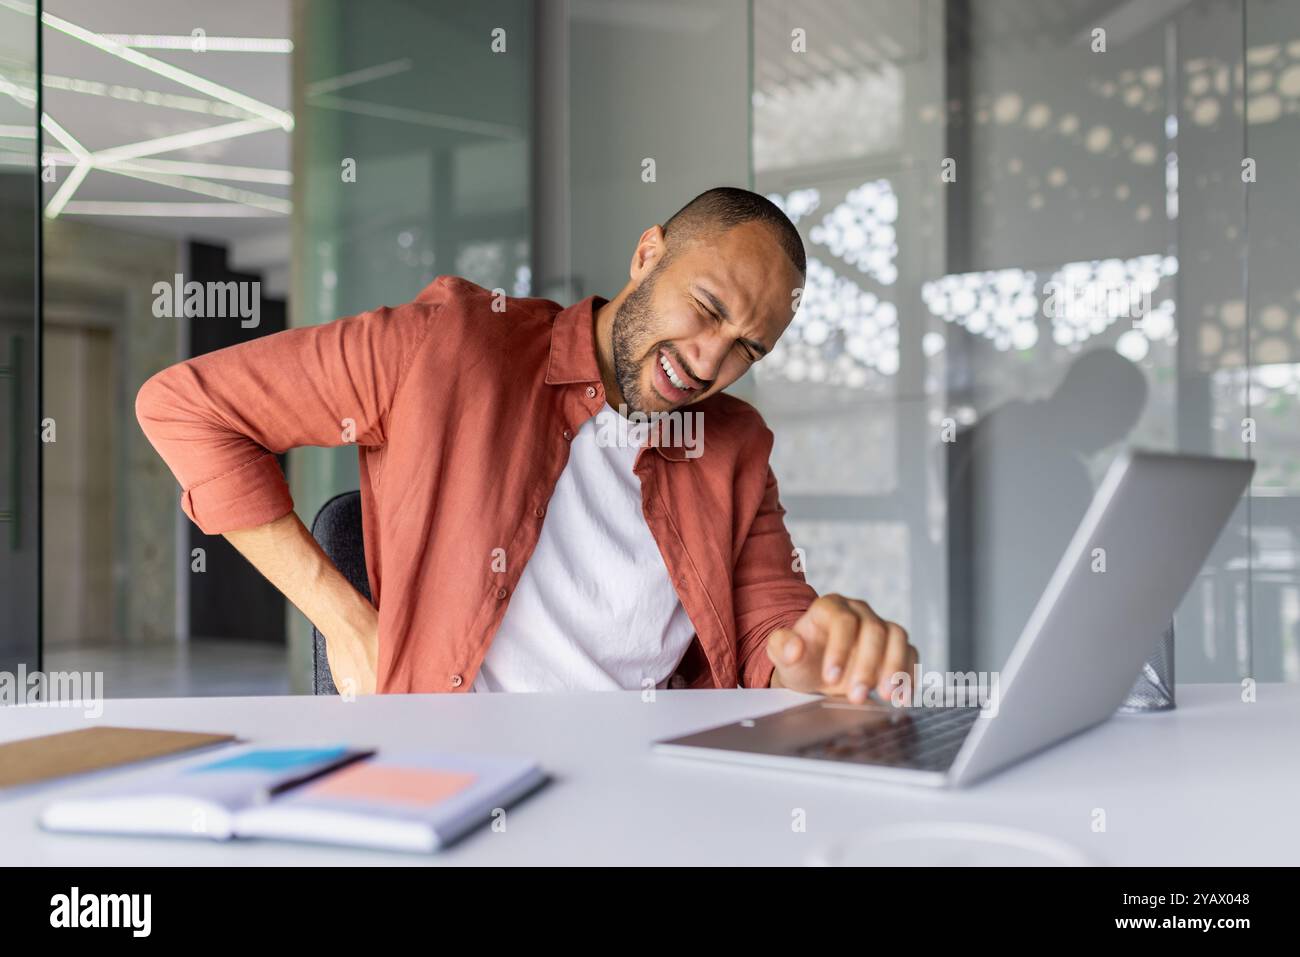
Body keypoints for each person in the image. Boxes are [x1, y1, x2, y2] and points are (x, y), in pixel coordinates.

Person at [137, 186, 918, 698]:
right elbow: (185, 408)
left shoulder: (735, 444)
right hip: (463, 778)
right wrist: (345, 621)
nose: (712, 362)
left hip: (647, 794)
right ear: (649, 255)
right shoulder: (452, 346)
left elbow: (768, 643)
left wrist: (823, 658)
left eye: (750, 347)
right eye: (708, 308)